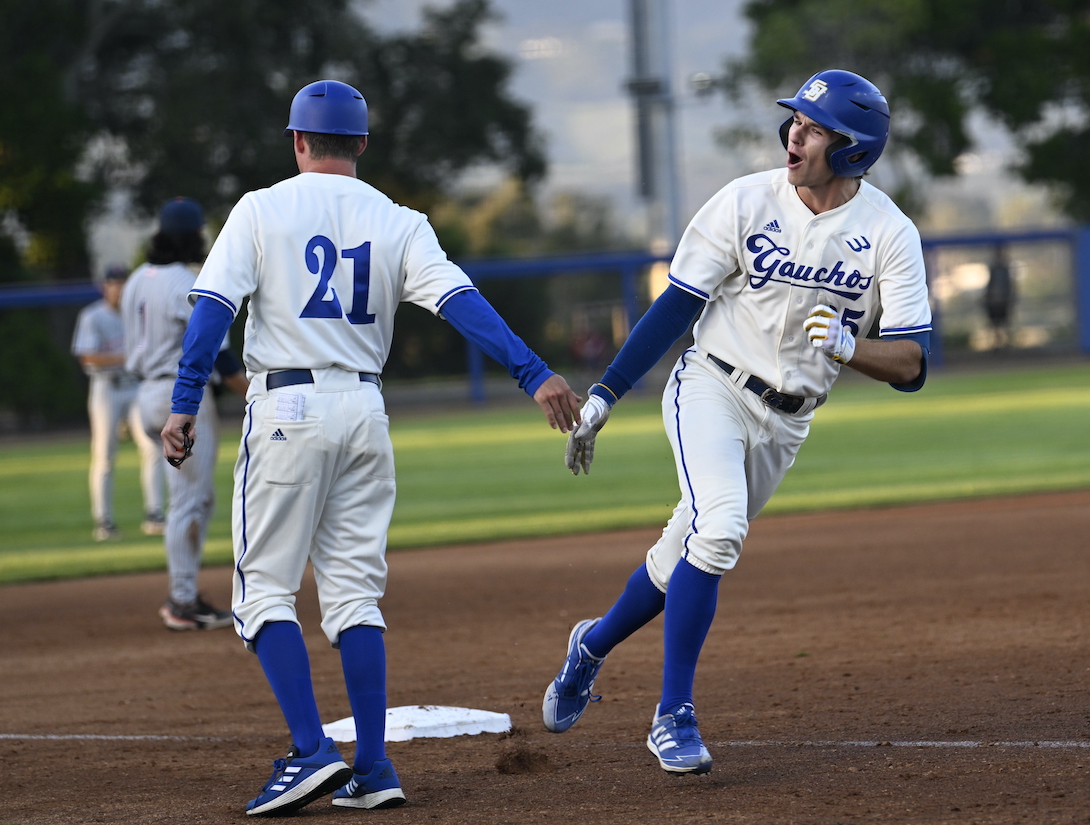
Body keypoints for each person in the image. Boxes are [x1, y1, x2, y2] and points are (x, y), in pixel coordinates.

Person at [160, 79, 582, 816]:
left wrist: (185, 399)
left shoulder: (261, 208)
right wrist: (533, 371)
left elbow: (212, 312)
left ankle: (312, 751)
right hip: (365, 408)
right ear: (360, 144)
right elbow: (461, 302)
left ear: (296, 141)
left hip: (286, 404)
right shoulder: (399, 220)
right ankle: (375, 766)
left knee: (262, 594)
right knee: (354, 594)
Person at [542, 69, 932, 776]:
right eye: (795, 122)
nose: (794, 134)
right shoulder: (746, 201)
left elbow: (913, 362)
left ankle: (591, 646)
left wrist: (851, 347)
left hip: (787, 423)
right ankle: (673, 716)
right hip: (712, 386)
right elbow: (673, 307)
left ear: (851, 150)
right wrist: (604, 396)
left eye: (813, 129)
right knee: (719, 529)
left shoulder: (888, 233)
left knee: (681, 551)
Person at [123, 197, 249, 631]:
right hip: (181, 398)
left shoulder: (138, 278)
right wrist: (258, 394)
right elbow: (222, 357)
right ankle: (181, 601)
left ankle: (185, 593)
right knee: (189, 500)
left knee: (195, 498)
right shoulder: (185, 282)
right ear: (192, 236)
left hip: (146, 393)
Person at [71, 265, 165, 541]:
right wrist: (127, 358)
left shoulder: (137, 314)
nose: (119, 288)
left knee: (153, 447)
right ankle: (104, 521)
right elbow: (87, 358)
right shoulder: (93, 315)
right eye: (115, 283)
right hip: (106, 389)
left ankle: (155, 514)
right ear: (105, 287)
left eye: (123, 283)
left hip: (135, 387)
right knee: (104, 455)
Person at [983, 244, 1015, 349]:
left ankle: (1007, 344)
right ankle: (998, 344)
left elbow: (1009, 285)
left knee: (1005, 323)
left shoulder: (1005, 269)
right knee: (996, 325)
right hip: (994, 303)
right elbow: (990, 285)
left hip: (1003, 301)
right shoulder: (994, 269)